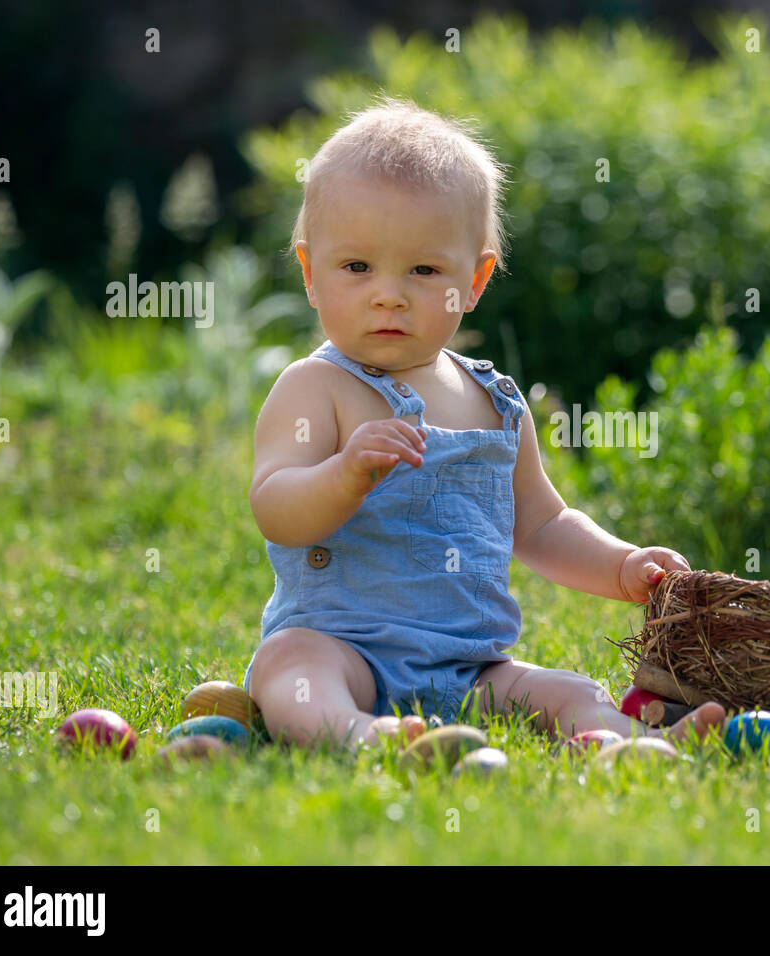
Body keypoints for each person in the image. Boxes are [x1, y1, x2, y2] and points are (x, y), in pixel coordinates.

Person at [243, 95, 725, 750]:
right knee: (291, 669)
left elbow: (544, 523)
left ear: (474, 280)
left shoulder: (494, 400)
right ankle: (361, 734)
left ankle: (623, 740)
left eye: (424, 269)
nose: (388, 292)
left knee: (568, 690)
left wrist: (621, 565)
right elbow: (275, 508)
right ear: (308, 272)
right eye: (356, 267)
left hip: (470, 668)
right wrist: (344, 475)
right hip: (342, 647)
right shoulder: (316, 388)